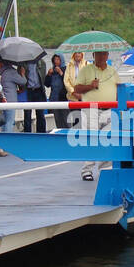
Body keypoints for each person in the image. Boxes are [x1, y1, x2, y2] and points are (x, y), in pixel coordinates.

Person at [71, 50, 117, 181]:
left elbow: (118, 88)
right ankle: (87, 169)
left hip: (109, 109)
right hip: (90, 109)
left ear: (108, 55)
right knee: (90, 140)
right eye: (98, 54)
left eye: (104, 54)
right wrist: (90, 86)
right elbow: (77, 89)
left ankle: (105, 169)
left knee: (108, 140)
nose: (102, 56)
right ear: (93, 56)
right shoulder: (86, 71)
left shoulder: (112, 71)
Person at [23, 55, 47, 133]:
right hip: (28, 90)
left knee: (40, 113)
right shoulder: (23, 64)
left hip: (39, 90)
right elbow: (20, 77)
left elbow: (43, 78)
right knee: (27, 114)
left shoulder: (42, 63)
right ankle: (27, 134)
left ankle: (41, 133)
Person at [0, 60, 26, 128]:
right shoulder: (11, 72)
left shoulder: (0, 71)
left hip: (2, 98)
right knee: (10, 121)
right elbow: (23, 81)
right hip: (10, 99)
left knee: (3, 121)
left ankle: (2, 136)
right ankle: (7, 137)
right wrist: (22, 73)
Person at [44, 53, 68, 128]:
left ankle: (67, 132)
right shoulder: (52, 71)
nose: (56, 61)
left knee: (66, 118)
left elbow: (67, 83)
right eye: (55, 60)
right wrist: (48, 75)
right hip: (54, 98)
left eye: (58, 59)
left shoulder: (66, 69)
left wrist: (61, 73)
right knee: (57, 119)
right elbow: (47, 84)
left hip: (63, 98)